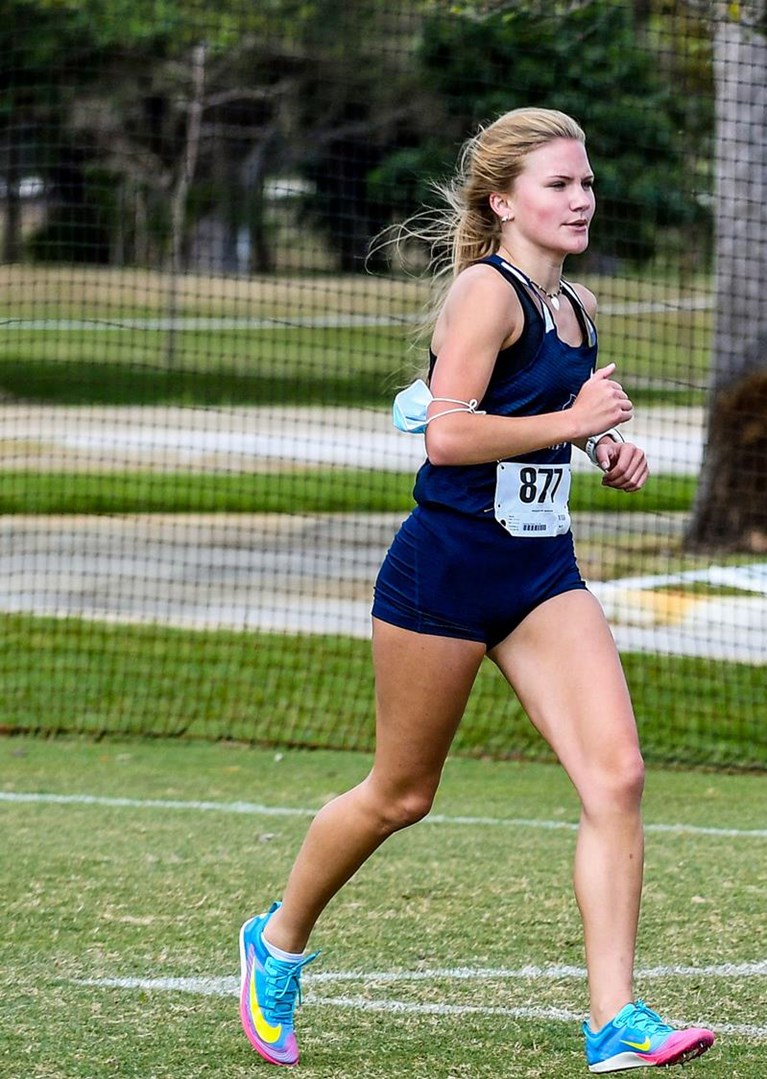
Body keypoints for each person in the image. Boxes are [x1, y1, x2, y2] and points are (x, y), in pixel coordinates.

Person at [237, 107, 714, 1072]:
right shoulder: (481, 295)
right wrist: (572, 418)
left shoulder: (575, 309)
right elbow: (448, 435)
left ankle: (615, 1021)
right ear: (504, 201)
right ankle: (275, 943)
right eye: (558, 185)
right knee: (401, 794)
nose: (581, 199)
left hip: (540, 574)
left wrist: (600, 442)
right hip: (446, 574)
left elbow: (533, 415)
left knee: (616, 776)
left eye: (586, 183)